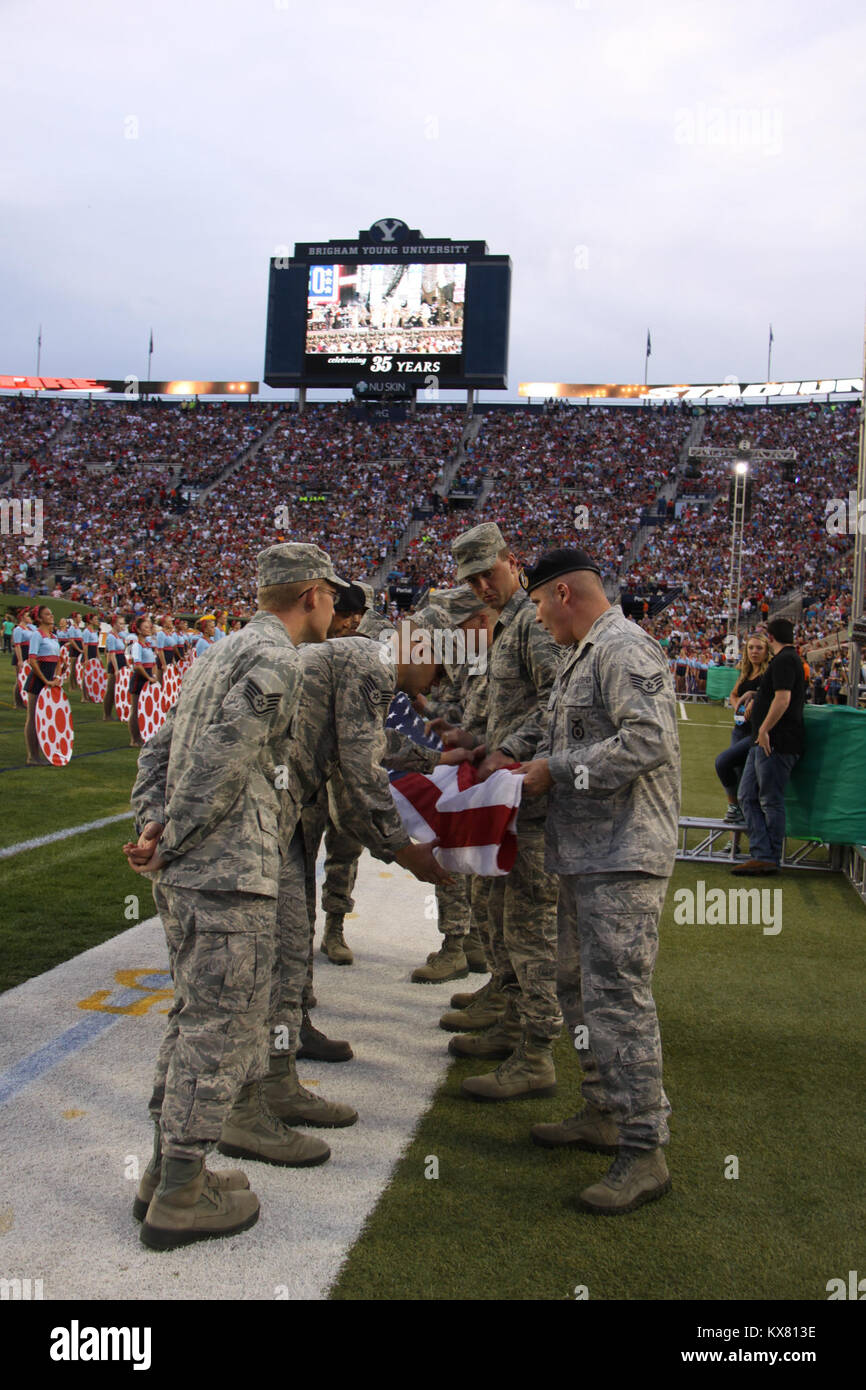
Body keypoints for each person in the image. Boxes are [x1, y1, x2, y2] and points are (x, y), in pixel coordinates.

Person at [124, 543, 350, 1250]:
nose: (336, 610)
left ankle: (166, 1171)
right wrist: (179, 835)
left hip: (193, 871)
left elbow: (158, 747)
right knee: (222, 1029)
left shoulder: (216, 651)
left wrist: (153, 822)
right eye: (332, 597)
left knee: (192, 1019)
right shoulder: (278, 660)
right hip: (228, 871)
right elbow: (220, 757)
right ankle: (182, 1193)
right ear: (310, 593)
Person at [517, 547, 680, 1215]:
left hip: (623, 854)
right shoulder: (584, 652)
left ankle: (645, 1151)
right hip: (587, 853)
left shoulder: (622, 648)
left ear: (562, 594)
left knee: (617, 1000)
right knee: (576, 989)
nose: (537, 619)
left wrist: (557, 770)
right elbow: (563, 730)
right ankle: (604, 1109)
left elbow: (648, 743)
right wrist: (516, 753)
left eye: (537, 605)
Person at [440, 522, 562, 1102]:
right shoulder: (511, 624)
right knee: (497, 906)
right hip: (503, 795)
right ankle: (511, 1013)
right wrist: (471, 739)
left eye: (488, 572)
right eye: (471, 578)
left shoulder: (535, 626)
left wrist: (508, 750)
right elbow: (505, 710)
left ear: (512, 561)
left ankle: (536, 1050)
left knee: (529, 923)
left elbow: (557, 708)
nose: (482, 585)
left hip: (530, 798)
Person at [733, 617, 806, 876]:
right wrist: (754, 695)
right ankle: (761, 853)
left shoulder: (786, 660)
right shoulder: (784, 660)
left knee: (769, 799)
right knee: (747, 796)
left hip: (775, 742)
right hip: (763, 742)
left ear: (771, 637)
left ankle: (769, 857)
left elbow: (783, 698)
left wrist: (764, 729)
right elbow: (774, 692)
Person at [714, 633, 770, 823]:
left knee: (723, 762)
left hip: (755, 731)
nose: (754, 651)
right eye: (751, 647)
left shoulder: (768, 674)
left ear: (766, 651)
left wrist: (756, 700)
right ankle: (733, 841)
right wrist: (738, 702)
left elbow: (771, 698)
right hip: (739, 729)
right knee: (736, 779)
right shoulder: (746, 672)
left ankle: (734, 808)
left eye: (759, 648)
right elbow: (733, 694)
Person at [24, 605, 62, 766]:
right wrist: (45, 680)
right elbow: (32, 660)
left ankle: (44, 751)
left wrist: (57, 677)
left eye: (51, 613)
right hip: (38, 680)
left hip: (51, 680)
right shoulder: (36, 635)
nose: (51, 616)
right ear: (39, 618)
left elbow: (58, 660)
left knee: (45, 717)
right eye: (47, 614)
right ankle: (32, 756)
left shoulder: (53, 637)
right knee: (33, 717)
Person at [128, 616, 159, 747]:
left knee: (146, 708)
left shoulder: (147, 644)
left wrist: (155, 675)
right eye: (146, 627)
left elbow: (153, 663)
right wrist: (149, 677)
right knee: (135, 710)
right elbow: (137, 665)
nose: (149, 629)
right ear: (139, 631)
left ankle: (144, 734)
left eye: (149, 627)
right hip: (140, 679)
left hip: (148, 678)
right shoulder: (136, 645)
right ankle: (134, 738)